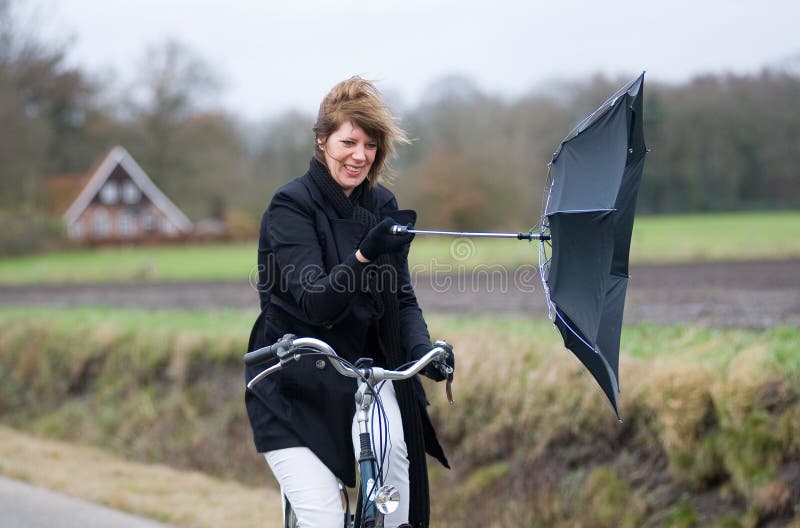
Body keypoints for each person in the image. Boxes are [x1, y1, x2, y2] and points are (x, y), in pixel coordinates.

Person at [245, 76, 453, 528]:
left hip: (362, 374)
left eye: (371, 145)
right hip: (294, 378)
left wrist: (422, 350)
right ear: (322, 140)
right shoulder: (290, 206)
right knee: (323, 517)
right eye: (349, 142)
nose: (360, 155)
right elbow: (316, 303)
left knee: (397, 483)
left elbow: (400, 298)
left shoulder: (382, 204)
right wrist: (364, 255)